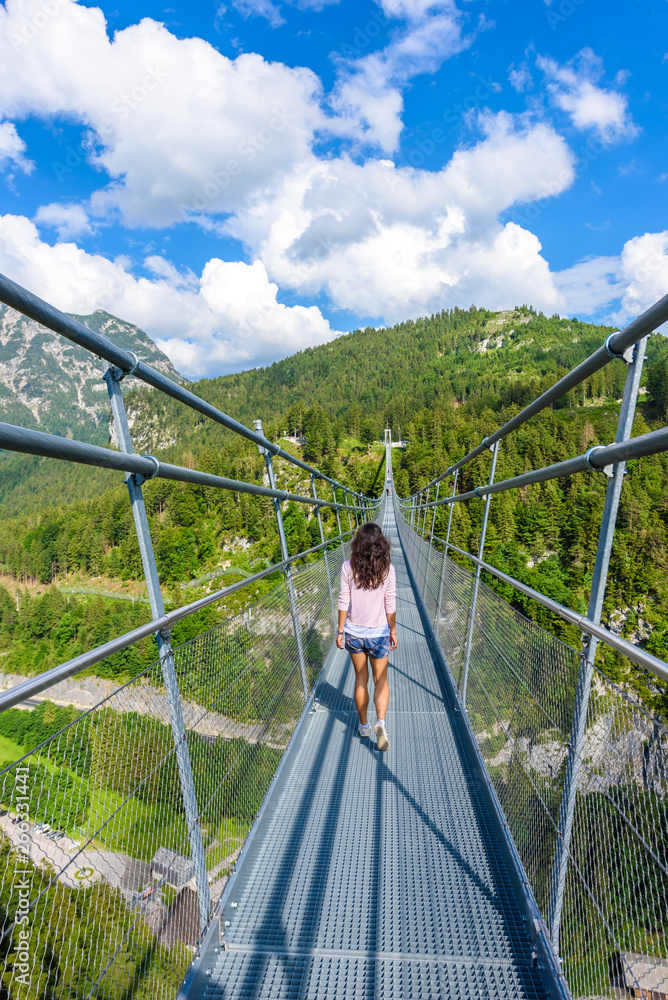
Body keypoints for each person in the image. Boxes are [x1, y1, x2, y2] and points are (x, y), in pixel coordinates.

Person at [336, 522, 397, 750]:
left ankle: (363, 725)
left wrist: (340, 631)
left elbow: (344, 600)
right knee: (380, 680)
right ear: (381, 543)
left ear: (358, 543)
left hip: (353, 633)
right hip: (379, 633)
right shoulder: (387, 569)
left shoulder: (347, 567)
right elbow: (389, 602)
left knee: (360, 679)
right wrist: (392, 631)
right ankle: (380, 722)